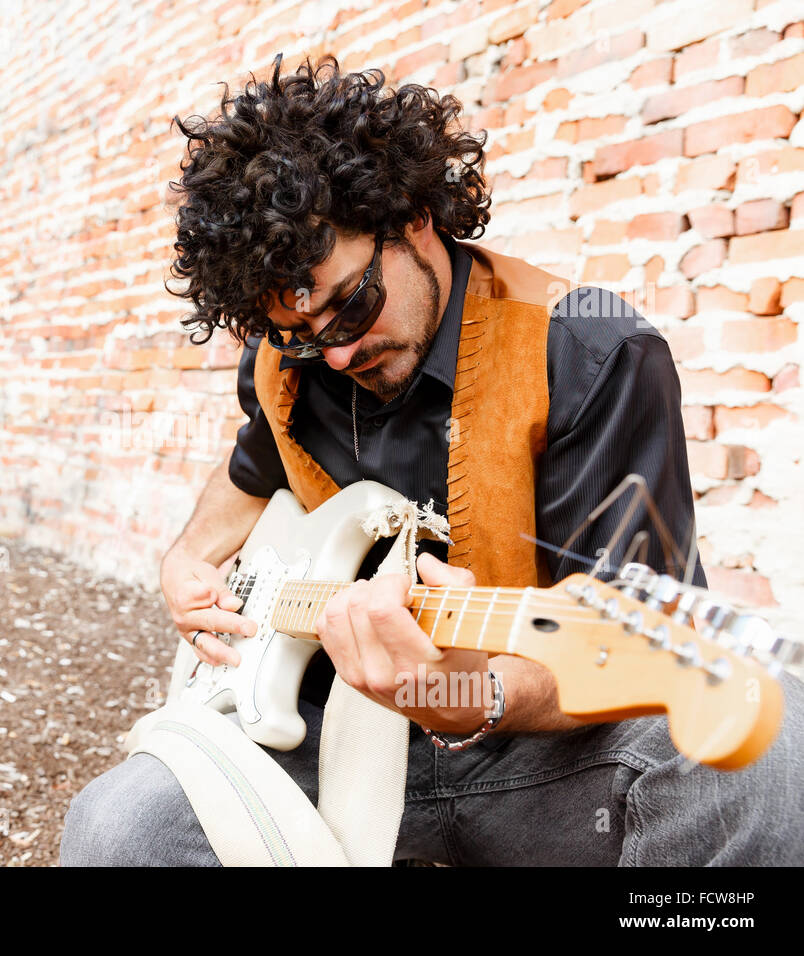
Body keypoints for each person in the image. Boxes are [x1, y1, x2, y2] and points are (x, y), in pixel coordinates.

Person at [60, 55, 804, 866]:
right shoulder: (292, 360)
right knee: (115, 828)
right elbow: (251, 472)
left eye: (349, 306)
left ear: (412, 214)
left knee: (765, 735)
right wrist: (187, 558)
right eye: (298, 334)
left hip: (539, 751)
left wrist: (466, 693)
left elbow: (641, 643)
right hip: (326, 729)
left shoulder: (591, 351)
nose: (333, 355)